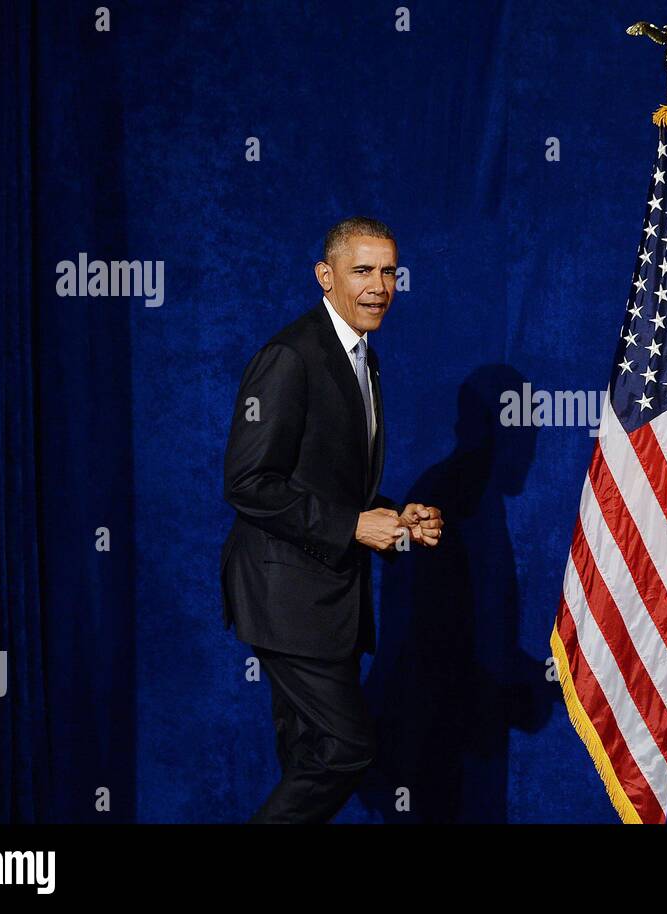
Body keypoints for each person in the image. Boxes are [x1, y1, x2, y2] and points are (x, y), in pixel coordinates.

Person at [219, 216, 443, 823]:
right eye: (363, 270)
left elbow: (326, 481)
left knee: (308, 753)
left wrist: (396, 519)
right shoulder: (291, 356)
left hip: (327, 598)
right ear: (326, 276)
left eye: (389, 271)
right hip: (285, 595)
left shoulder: (361, 359)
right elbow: (246, 482)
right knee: (346, 748)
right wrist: (351, 526)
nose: (380, 285)